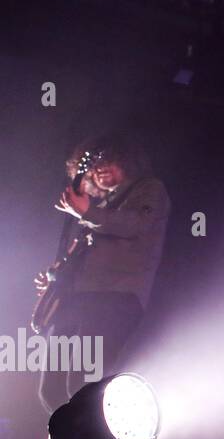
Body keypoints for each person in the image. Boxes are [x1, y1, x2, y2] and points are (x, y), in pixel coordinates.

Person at [37, 134, 170, 413]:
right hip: (78, 298)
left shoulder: (150, 189)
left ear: (125, 159)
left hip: (116, 297)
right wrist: (55, 279)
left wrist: (87, 212)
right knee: (50, 389)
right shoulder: (96, 210)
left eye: (106, 160)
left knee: (83, 383)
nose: (99, 169)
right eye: (92, 167)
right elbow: (81, 254)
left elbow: (134, 224)